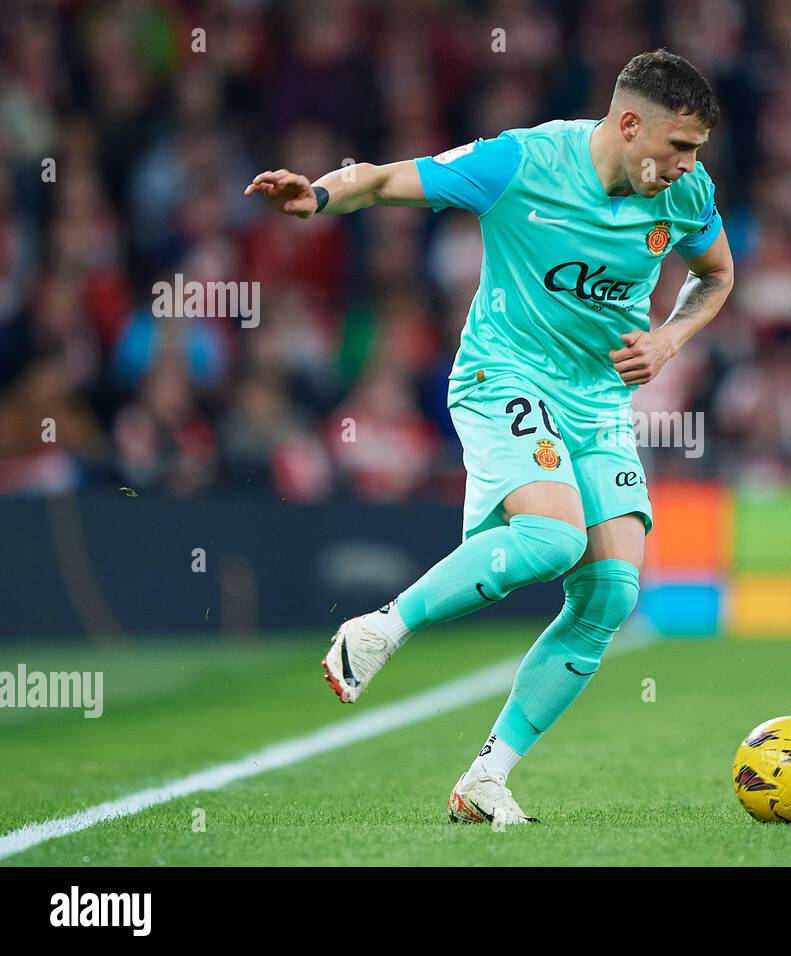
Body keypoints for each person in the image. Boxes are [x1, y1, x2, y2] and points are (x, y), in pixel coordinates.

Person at [245, 50, 734, 824]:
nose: (688, 164)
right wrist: (318, 195)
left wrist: (670, 340)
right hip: (503, 375)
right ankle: (379, 629)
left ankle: (487, 777)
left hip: (599, 400)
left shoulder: (685, 194)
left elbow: (716, 277)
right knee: (550, 538)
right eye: (679, 146)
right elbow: (380, 178)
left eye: (698, 150)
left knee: (611, 591)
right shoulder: (522, 161)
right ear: (630, 123)